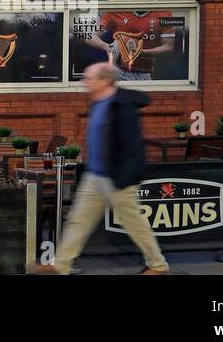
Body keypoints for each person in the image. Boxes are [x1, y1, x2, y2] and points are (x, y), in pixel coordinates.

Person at [30, 62, 169, 275]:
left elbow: (133, 145)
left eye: (89, 78)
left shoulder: (121, 107)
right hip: (95, 176)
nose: (85, 82)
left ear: (105, 81)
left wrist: (125, 177)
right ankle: (60, 266)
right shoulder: (98, 103)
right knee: (78, 220)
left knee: (134, 224)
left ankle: (158, 265)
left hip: (116, 178)